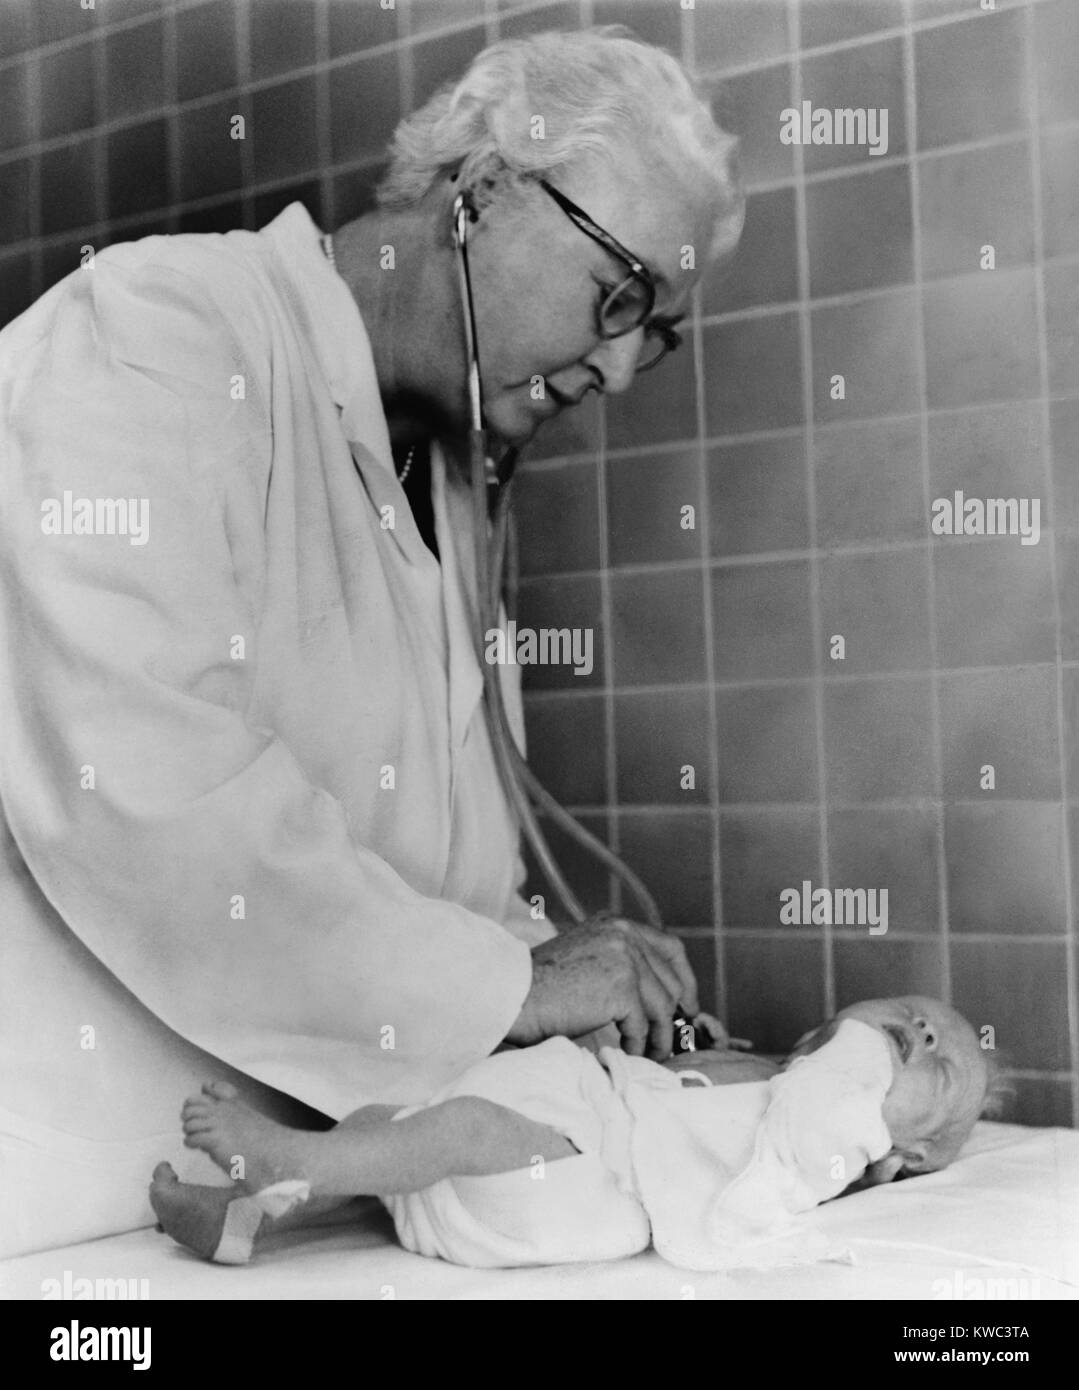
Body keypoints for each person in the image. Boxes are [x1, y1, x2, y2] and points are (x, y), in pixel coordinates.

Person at [0, 27, 743, 1256]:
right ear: (485, 189)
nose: (615, 365)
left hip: (312, 1204)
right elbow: (147, 792)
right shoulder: (156, 333)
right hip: (62, 1193)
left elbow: (430, 880)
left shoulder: (453, 490)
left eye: (653, 332)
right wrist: (514, 989)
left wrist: (570, 991)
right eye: (616, 296)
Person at [149, 996, 997, 1271]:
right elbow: (687, 1081)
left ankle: (289, 1155)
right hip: (580, 1124)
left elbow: (804, 1141)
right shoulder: (777, 1070)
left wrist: (858, 1104)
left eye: (938, 1064)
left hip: (601, 1190)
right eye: (912, 1016)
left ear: (908, 1156)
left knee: (465, 1131)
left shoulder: (840, 1143)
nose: (917, 1038)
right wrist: (690, 1044)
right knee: (391, 1133)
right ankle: (250, 1213)